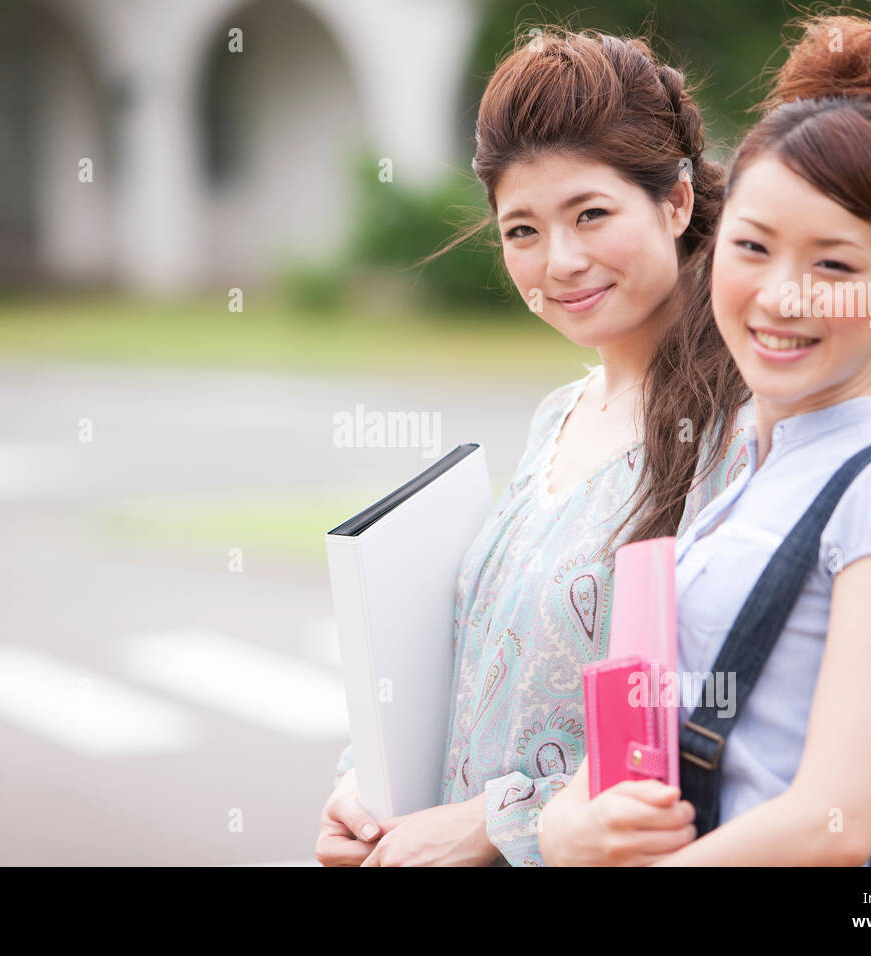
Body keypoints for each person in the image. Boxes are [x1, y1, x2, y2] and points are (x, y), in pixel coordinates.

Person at [538, 13, 871, 866]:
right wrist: (565, 823)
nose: (783, 297)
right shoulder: (738, 460)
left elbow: (836, 821)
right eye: (753, 247)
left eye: (834, 265)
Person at [315, 25, 753, 867]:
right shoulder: (560, 413)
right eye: (523, 231)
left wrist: (493, 826)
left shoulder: (734, 430)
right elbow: (483, 666)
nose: (561, 261)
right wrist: (366, 790)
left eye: (591, 213)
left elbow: (694, 725)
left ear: (676, 201)